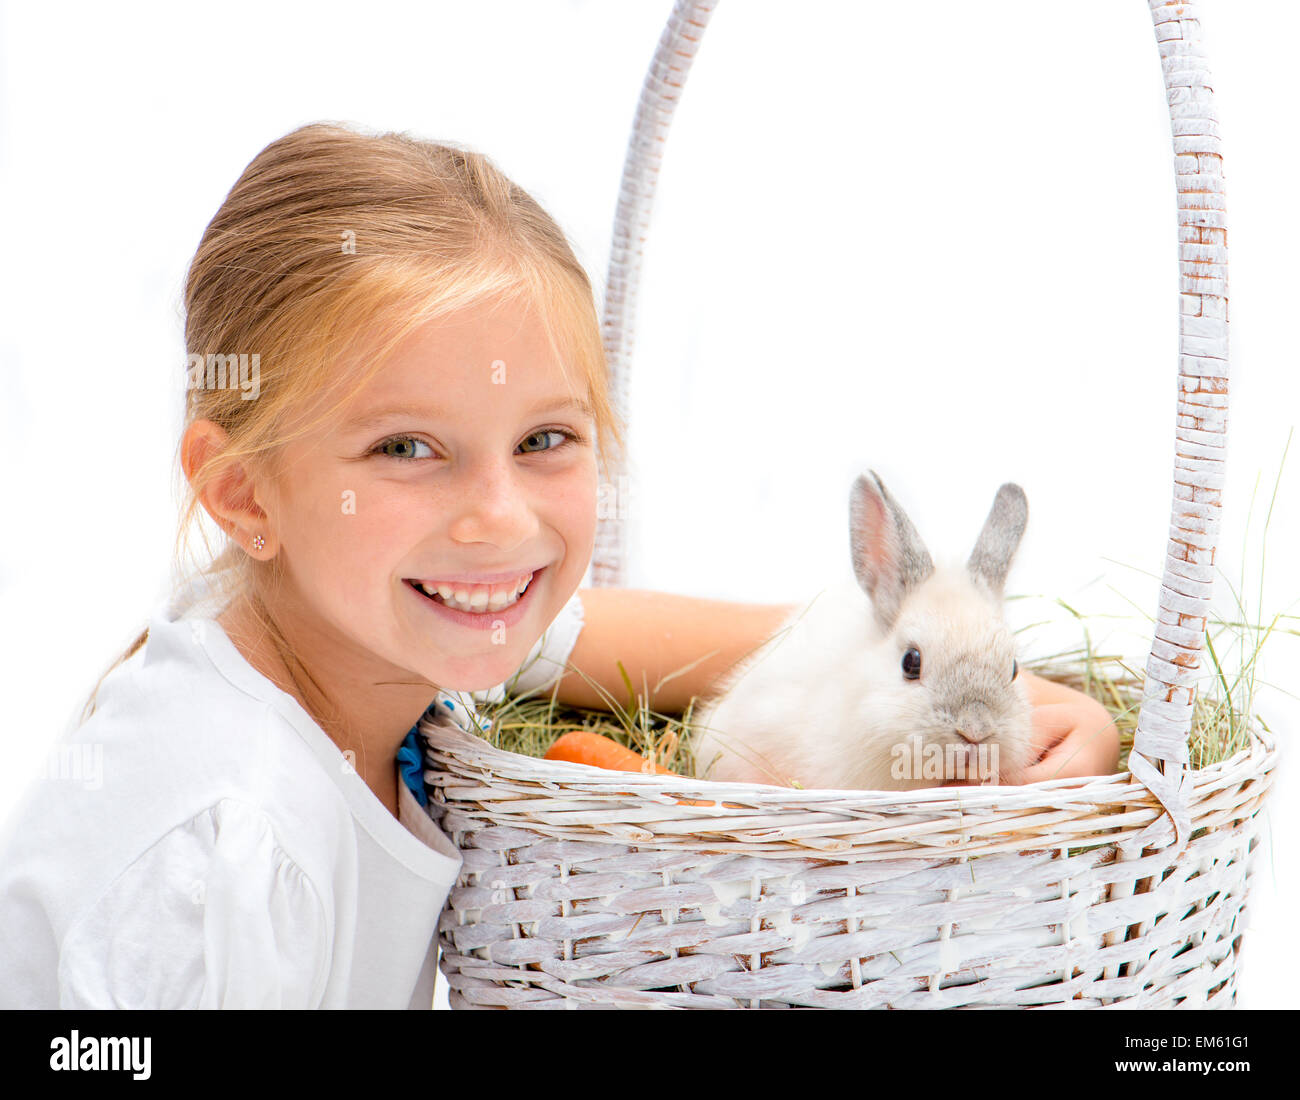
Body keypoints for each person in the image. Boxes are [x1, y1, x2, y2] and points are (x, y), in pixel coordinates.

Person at [0, 121, 1117, 1009]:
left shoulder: (368, 620)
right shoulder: (229, 850)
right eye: (405, 448)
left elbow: (694, 636)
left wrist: (983, 684)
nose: (498, 521)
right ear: (245, 492)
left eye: (544, 440)